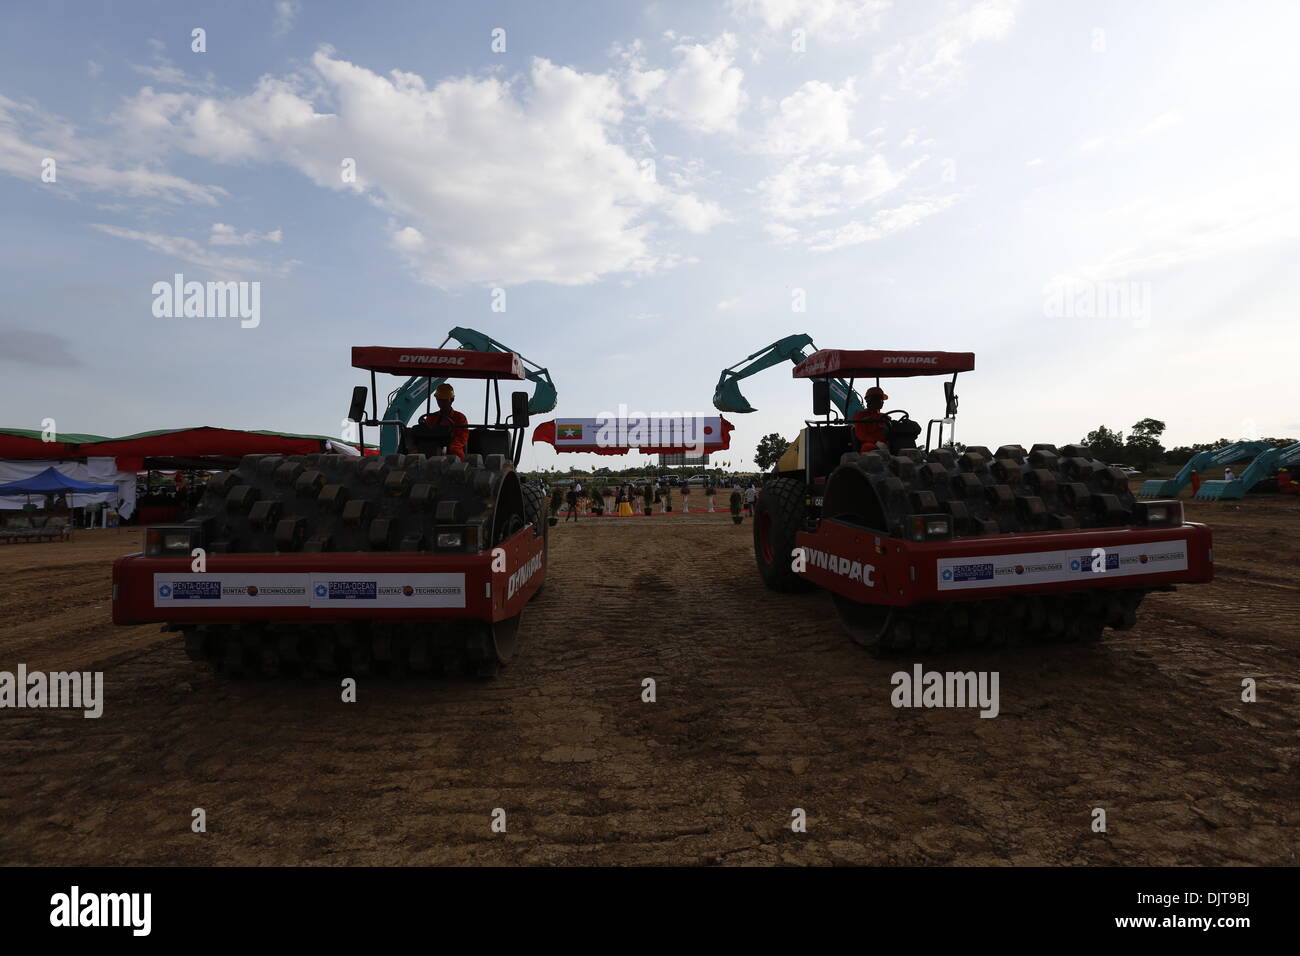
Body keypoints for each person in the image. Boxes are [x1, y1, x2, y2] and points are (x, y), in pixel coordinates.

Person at [418, 382, 469, 460]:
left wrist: (450, 445)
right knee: (415, 452)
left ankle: (457, 468)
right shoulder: (431, 417)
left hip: (451, 445)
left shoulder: (460, 417)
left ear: (452, 400)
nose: (441, 403)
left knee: (455, 450)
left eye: (444, 400)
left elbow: (462, 437)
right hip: (433, 445)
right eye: (439, 400)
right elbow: (426, 432)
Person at [852, 386, 891, 453]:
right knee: (868, 448)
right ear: (871, 400)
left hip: (886, 443)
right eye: (880, 399)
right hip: (871, 444)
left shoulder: (884, 416)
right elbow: (861, 434)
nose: (882, 402)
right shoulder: (861, 416)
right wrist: (876, 442)